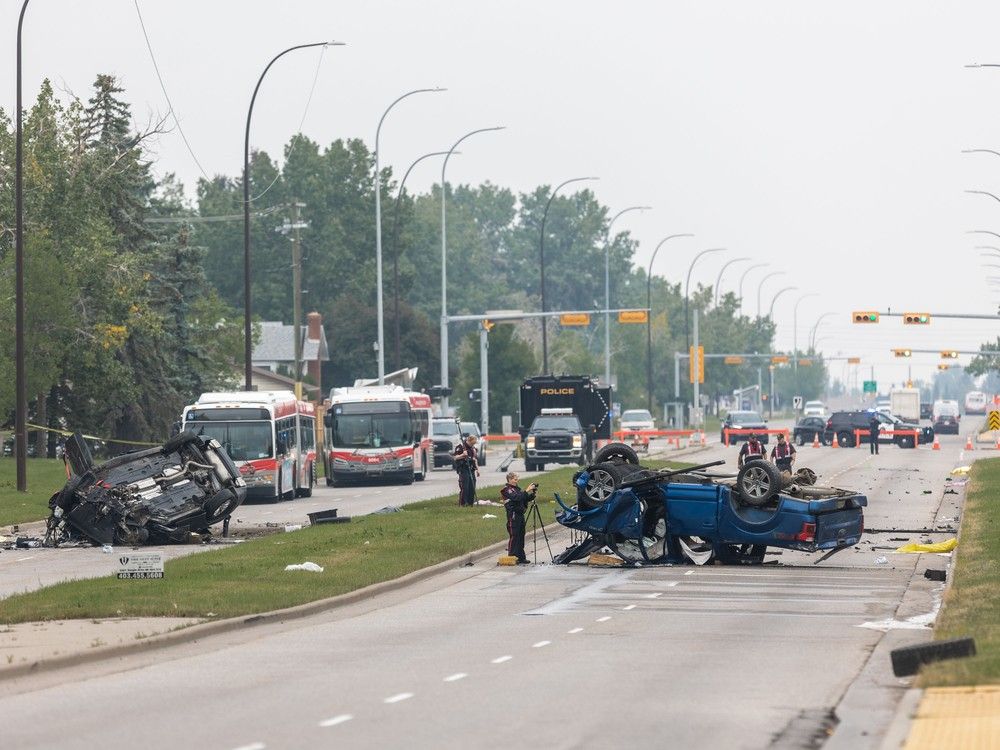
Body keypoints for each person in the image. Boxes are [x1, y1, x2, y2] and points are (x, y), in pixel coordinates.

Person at [501, 471, 538, 564]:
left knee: (521, 536)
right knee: (514, 536)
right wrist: (527, 490)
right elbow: (516, 498)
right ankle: (512, 557)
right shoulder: (507, 490)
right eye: (514, 479)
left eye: (517, 479)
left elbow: (523, 498)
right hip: (513, 515)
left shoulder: (517, 489)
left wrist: (532, 495)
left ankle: (521, 557)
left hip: (520, 515)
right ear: (509, 479)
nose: (516, 481)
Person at [453, 434, 480, 506]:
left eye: (474, 444)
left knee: (472, 486)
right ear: (469, 440)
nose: (473, 445)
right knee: (465, 487)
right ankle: (463, 503)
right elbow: (455, 457)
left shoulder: (473, 449)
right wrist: (462, 455)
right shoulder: (461, 447)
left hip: (471, 469)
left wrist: (477, 469)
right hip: (463, 469)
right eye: (472, 443)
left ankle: (470, 503)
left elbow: (474, 459)